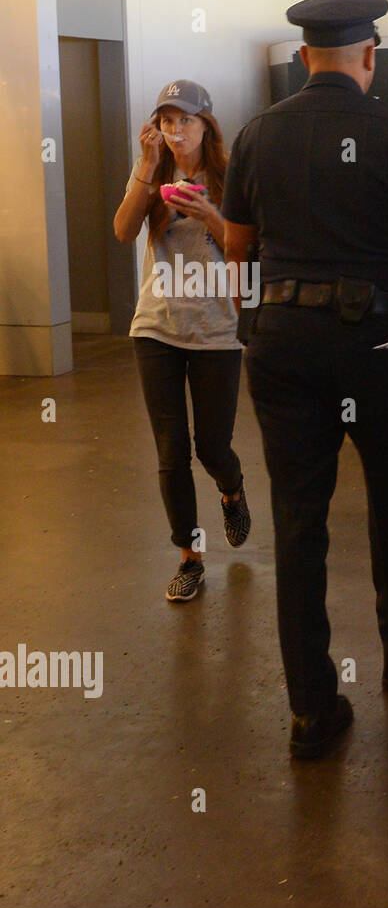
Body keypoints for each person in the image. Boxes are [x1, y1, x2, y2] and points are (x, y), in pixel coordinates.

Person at [221, 0, 388, 760]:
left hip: (283, 346)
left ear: (305, 57)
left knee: (298, 524)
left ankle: (311, 706)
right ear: (370, 57)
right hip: (375, 348)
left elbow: (235, 252)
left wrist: (253, 325)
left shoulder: (255, 134)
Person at [113, 79, 250, 603]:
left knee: (212, 447)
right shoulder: (154, 169)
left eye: (185, 120)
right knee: (171, 453)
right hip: (156, 327)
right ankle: (190, 557)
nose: (174, 131)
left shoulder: (230, 173)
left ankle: (232, 489)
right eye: (166, 121)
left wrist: (209, 214)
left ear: (206, 124)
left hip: (218, 329)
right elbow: (124, 231)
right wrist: (147, 173)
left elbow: (247, 245)